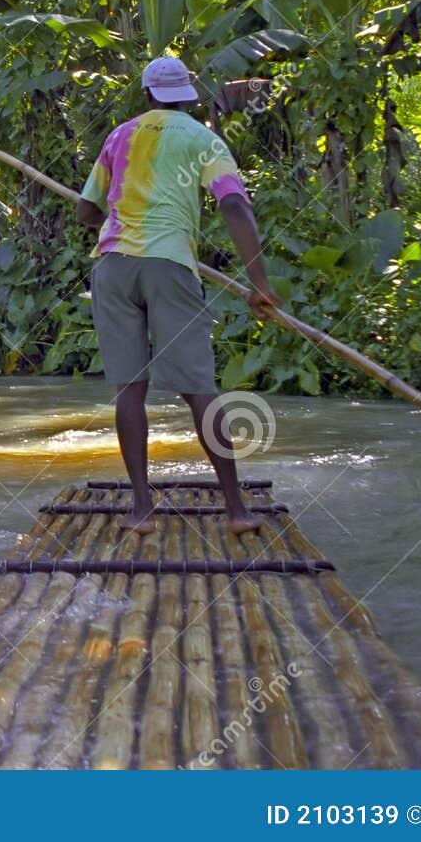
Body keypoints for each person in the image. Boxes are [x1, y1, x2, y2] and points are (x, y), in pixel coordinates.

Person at [75, 56, 282, 537]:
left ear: (148, 94)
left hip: (114, 267)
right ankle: (236, 510)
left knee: (130, 389)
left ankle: (142, 509)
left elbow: (86, 211)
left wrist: (115, 218)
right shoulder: (203, 139)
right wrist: (259, 283)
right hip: (169, 267)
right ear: (187, 96)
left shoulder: (119, 136)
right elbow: (234, 205)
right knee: (199, 389)